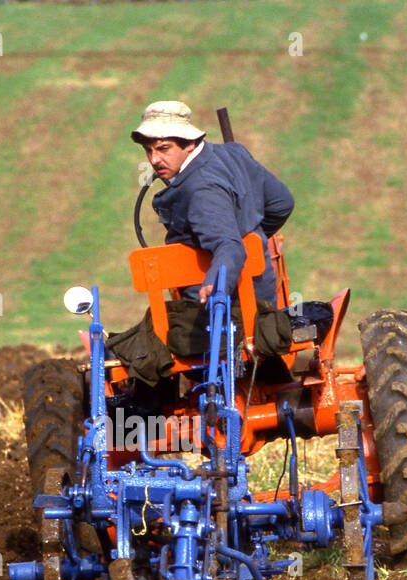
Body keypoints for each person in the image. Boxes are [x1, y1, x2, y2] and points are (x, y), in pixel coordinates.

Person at [108, 101, 296, 386]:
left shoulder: (200, 190)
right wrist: (254, 237)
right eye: (149, 150)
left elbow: (229, 245)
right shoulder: (234, 153)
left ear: (189, 142)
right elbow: (282, 203)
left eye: (163, 148)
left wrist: (216, 280)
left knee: (122, 349)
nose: (154, 160)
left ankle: (142, 417)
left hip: (216, 313)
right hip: (263, 301)